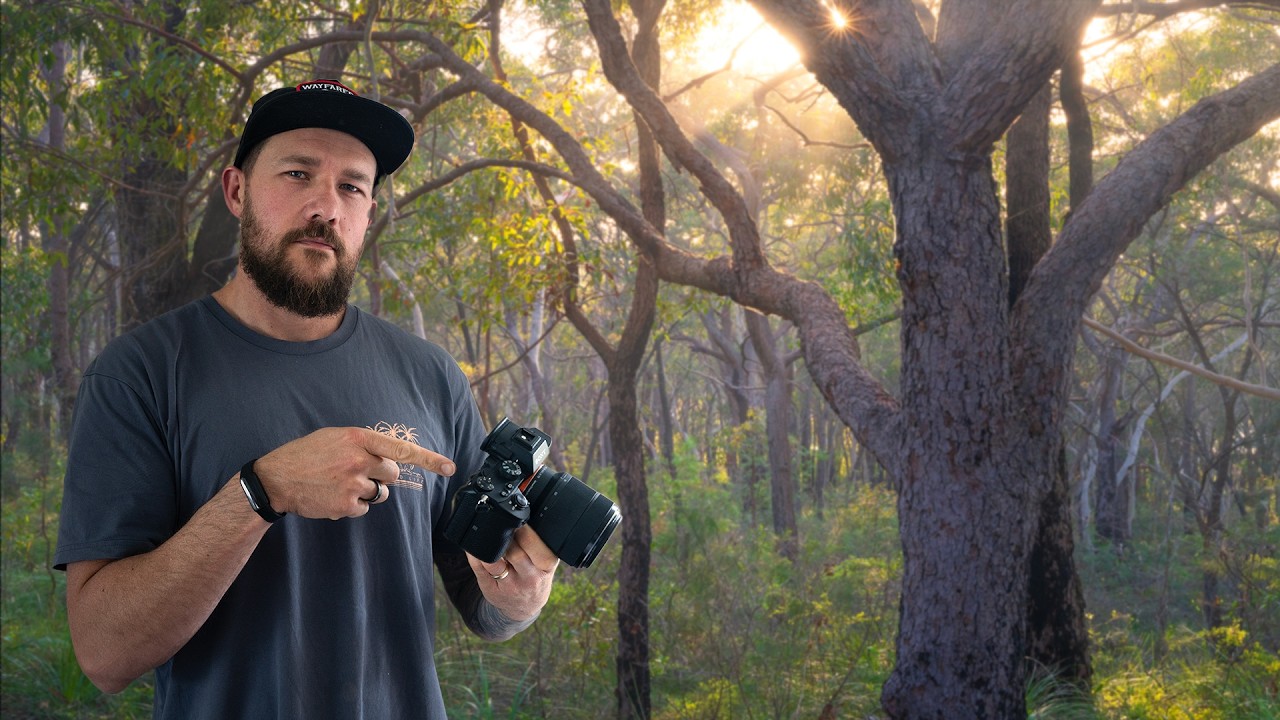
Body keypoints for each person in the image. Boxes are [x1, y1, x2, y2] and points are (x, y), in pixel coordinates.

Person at [54, 79, 559, 719]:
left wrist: (522, 593)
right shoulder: (141, 374)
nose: (327, 205)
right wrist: (261, 492)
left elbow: (481, 603)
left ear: (368, 215)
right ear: (237, 192)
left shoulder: (431, 375)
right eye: (298, 174)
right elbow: (103, 652)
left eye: (352, 186)